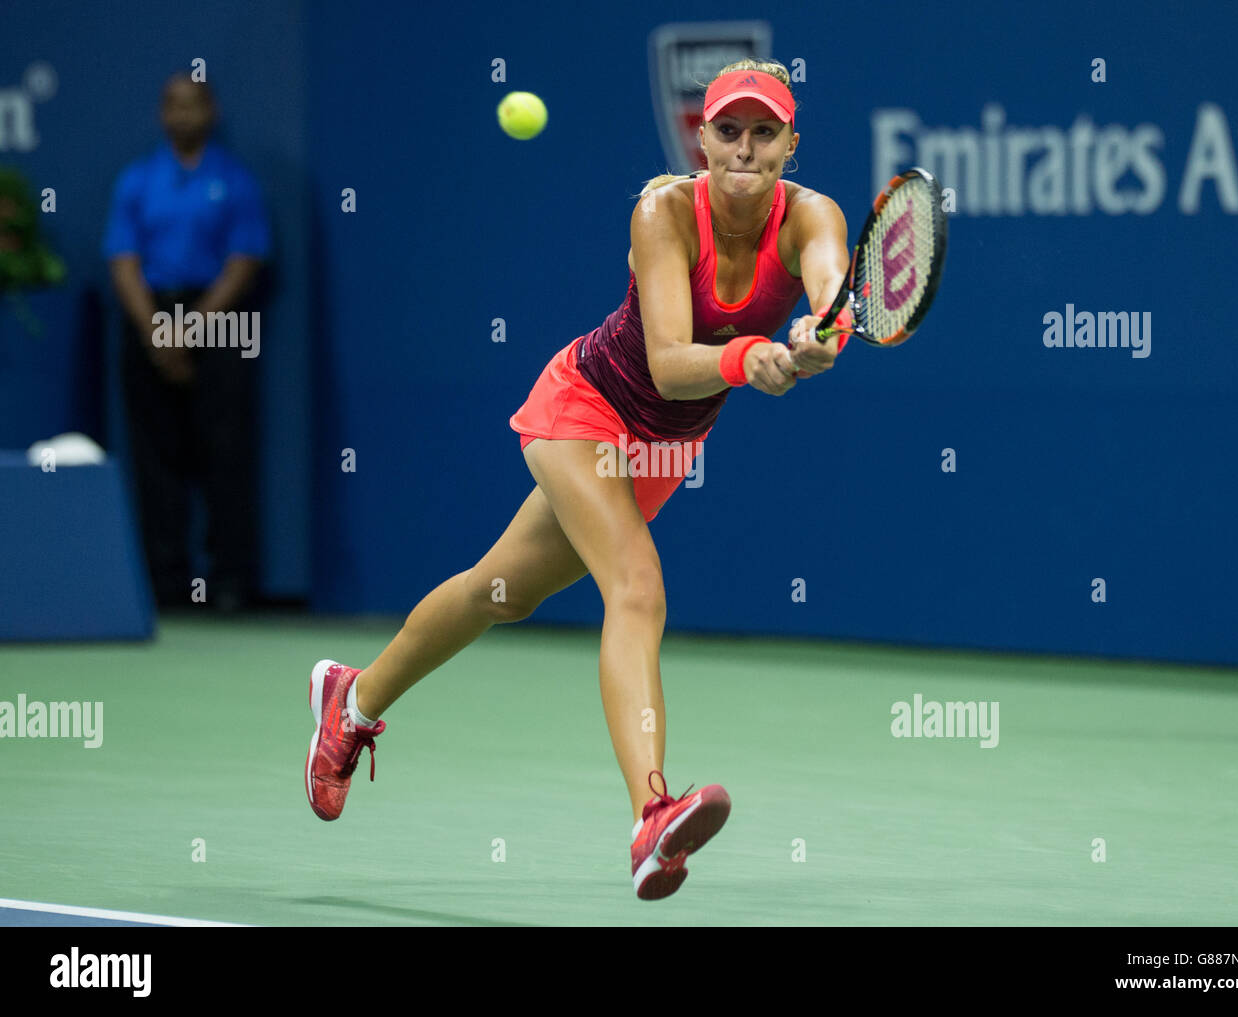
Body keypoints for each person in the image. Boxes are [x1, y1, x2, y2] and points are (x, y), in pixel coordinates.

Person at [304, 59, 854, 900]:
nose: (745, 147)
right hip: (587, 404)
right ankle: (650, 817)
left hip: (666, 449)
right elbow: (671, 366)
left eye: (765, 131)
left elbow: (829, 293)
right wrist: (754, 357)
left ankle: (353, 699)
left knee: (500, 591)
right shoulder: (663, 211)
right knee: (635, 587)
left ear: (791, 144)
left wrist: (821, 335)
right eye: (729, 130)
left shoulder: (814, 217)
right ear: (699, 138)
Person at [103, 73, 269, 612]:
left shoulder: (235, 180)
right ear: (160, 115)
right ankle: (164, 585)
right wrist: (157, 332)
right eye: (172, 105)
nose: (182, 115)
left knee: (226, 454)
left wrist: (191, 330)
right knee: (154, 459)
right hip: (149, 317)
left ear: (211, 111)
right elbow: (124, 260)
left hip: (219, 321)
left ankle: (228, 583)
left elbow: (244, 259)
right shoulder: (137, 180)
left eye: (192, 105)